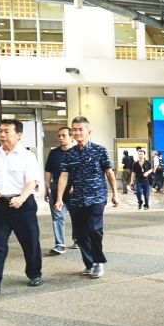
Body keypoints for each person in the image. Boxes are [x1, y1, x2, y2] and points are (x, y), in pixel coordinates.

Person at [0, 119, 42, 296]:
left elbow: (31, 182)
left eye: (6, 132)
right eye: (0, 131)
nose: (2, 135)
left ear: (18, 135)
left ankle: (34, 273)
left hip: (22, 206)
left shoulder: (27, 156)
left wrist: (21, 198)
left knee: (30, 242)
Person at [55, 116, 120, 279]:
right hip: (77, 199)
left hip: (97, 197)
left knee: (94, 229)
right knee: (81, 233)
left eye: (80, 129)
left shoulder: (100, 150)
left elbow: (109, 173)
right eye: (74, 130)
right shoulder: (69, 154)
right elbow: (63, 176)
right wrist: (59, 198)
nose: (77, 132)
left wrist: (115, 194)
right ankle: (89, 263)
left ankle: (98, 262)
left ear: (89, 131)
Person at [44, 126, 74, 255]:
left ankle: (77, 239)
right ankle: (60, 244)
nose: (61, 138)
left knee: (76, 216)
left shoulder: (76, 152)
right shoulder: (54, 153)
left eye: (64, 135)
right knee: (57, 216)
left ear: (71, 137)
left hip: (74, 189)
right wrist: (47, 188)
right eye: (59, 136)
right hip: (56, 188)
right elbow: (48, 171)